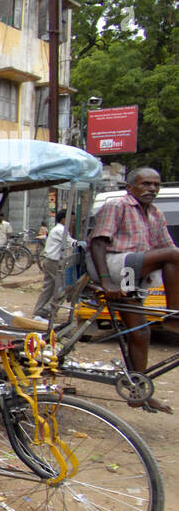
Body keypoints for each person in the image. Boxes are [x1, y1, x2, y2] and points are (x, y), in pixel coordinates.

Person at [88, 167, 179, 412]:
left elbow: (167, 247)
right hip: (116, 264)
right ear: (131, 187)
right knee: (173, 256)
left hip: (134, 275)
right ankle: (173, 316)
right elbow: (97, 242)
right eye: (145, 184)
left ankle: (139, 392)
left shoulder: (156, 213)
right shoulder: (118, 205)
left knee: (140, 333)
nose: (152, 189)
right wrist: (106, 280)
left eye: (156, 185)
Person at [33, 208, 69, 320]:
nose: (72, 221)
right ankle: (49, 310)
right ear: (64, 219)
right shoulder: (61, 230)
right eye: (70, 219)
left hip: (49, 260)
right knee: (63, 287)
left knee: (48, 287)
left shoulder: (57, 229)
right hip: (54, 261)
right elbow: (71, 242)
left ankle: (38, 310)